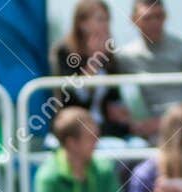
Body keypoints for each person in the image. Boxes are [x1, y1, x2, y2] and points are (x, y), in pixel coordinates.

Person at [117, 0, 182, 138]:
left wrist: (167, 121)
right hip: (156, 133)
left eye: (159, 16)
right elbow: (104, 79)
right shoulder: (127, 56)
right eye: (147, 18)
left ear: (166, 17)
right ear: (134, 20)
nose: (154, 23)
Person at [51, 0, 134, 140]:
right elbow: (71, 97)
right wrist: (94, 60)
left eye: (107, 19)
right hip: (76, 129)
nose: (105, 25)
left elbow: (114, 97)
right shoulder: (64, 52)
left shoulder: (109, 55)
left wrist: (120, 112)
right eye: (100, 19)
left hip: (107, 128)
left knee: (136, 144)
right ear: (82, 24)